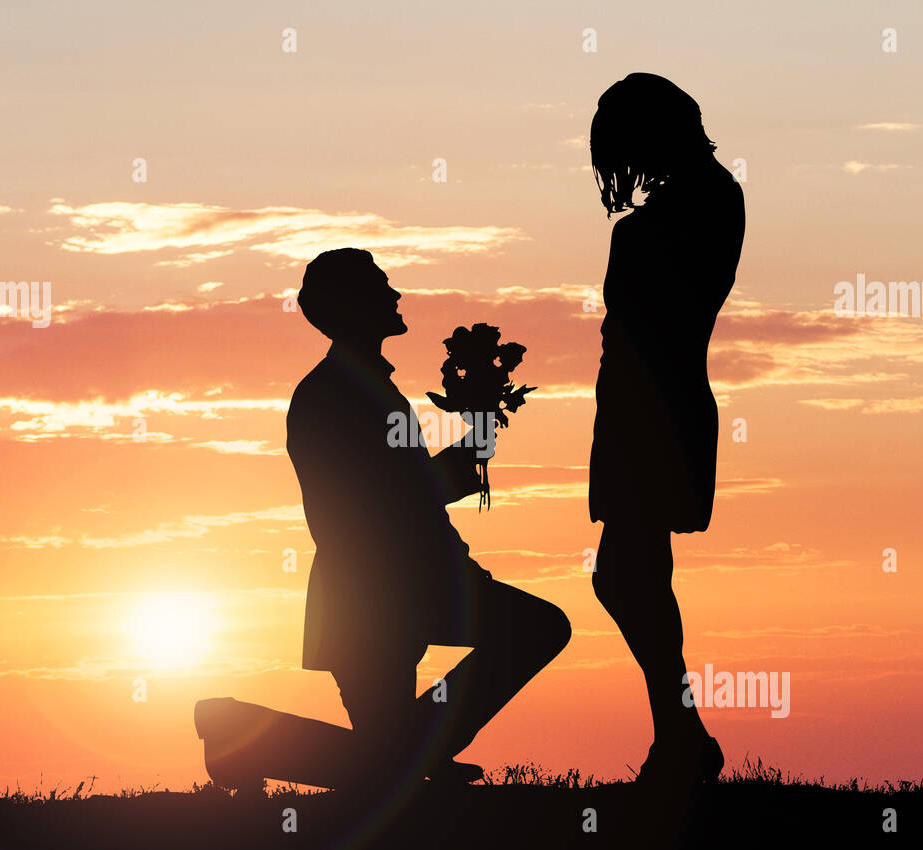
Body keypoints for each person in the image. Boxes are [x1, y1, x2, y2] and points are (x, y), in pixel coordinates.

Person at [287, 247, 570, 790]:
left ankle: (410, 753)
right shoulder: (335, 393)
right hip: (376, 593)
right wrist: (451, 473)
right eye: (380, 286)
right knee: (386, 765)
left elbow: (401, 495)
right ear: (353, 306)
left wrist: (480, 429)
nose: (395, 295)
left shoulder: (356, 387)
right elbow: (375, 504)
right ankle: (403, 753)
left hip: (393, 588)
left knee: (386, 760)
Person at [587, 74, 745, 788]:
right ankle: (679, 735)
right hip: (655, 407)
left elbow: (639, 324)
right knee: (632, 572)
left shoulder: (674, 217)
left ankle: (681, 734)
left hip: (651, 411)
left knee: (626, 573)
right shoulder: (712, 197)